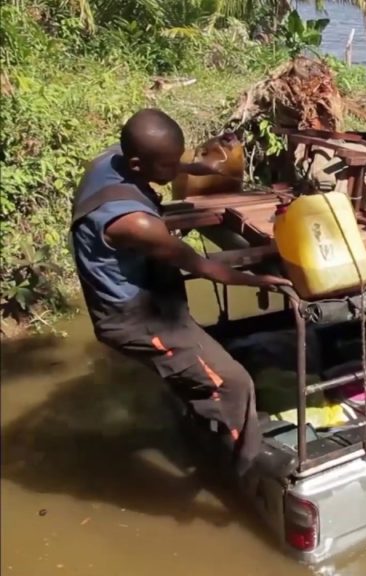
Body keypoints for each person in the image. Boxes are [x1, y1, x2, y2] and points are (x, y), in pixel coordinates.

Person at [70, 108, 291, 477]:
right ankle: (245, 468)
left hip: (145, 287)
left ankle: (201, 408)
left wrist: (197, 169)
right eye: (168, 166)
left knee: (199, 366)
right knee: (235, 383)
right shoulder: (135, 223)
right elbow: (205, 267)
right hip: (132, 319)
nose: (175, 172)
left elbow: (164, 164)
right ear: (139, 164)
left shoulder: (111, 159)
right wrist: (260, 279)